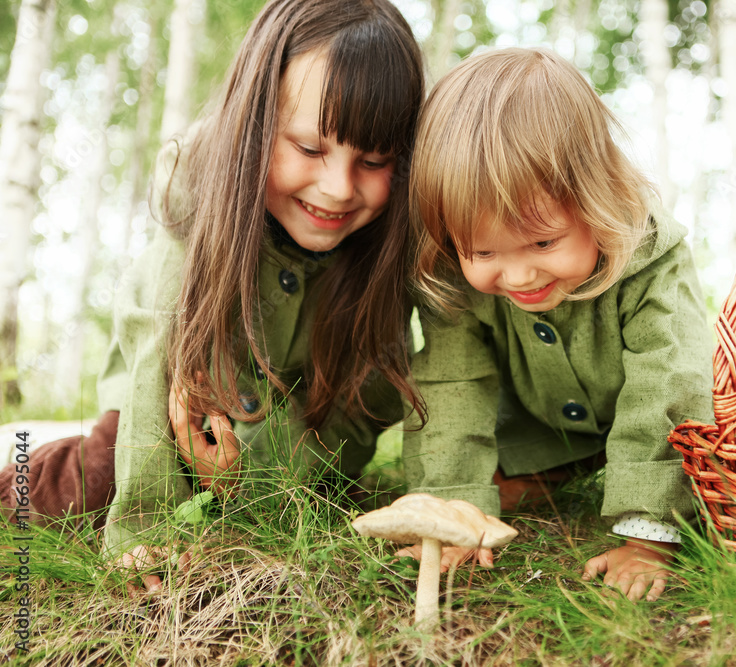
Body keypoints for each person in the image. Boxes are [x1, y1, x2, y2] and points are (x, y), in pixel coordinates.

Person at [1, 0, 425, 592]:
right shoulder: (197, 210)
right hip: (163, 414)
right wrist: (145, 527)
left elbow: (361, 418)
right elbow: (157, 362)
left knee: (312, 509)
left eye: (374, 160)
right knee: (85, 487)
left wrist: (248, 476)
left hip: (292, 447)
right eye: (308, 149)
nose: (337, 188)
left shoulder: (388, 257)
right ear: (253, 124)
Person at [401, 48, 712, 602]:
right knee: (484, 483)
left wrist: (647, 535)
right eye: (483, 250)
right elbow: (453, 385)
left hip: (638, 411)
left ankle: (641, 492)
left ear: (599, 200)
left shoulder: (650, 259)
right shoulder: (453, 277)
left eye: (544, 242)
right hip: (539, 428)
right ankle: (553, 474)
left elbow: (670, 381)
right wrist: (455, 511)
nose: (518, 274)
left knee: (682, 433)